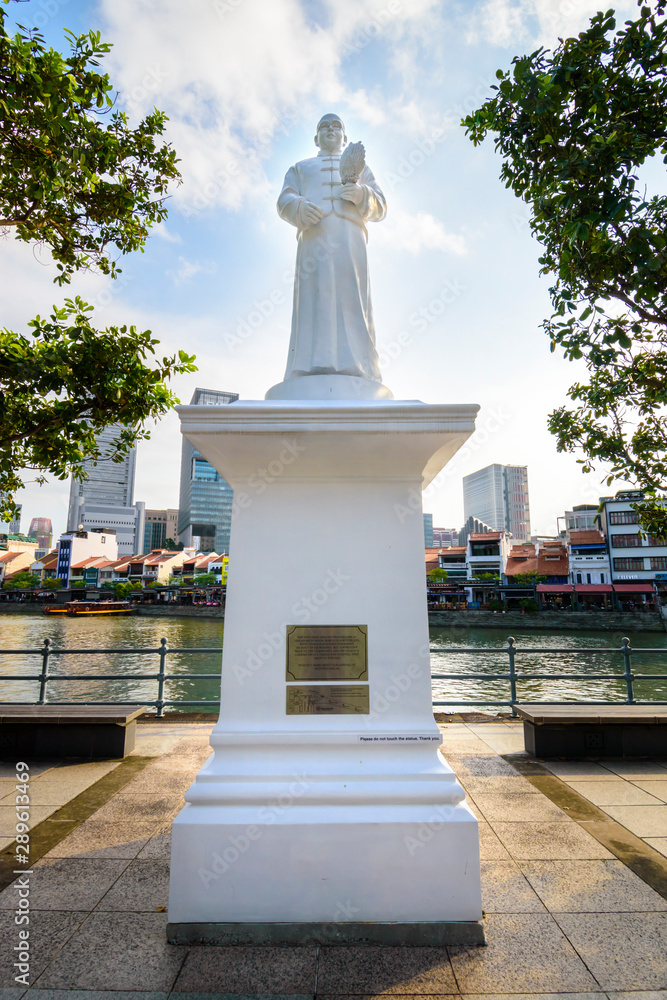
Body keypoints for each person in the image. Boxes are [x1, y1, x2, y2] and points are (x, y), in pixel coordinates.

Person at [277, 113, 387, 382]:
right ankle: (309, 364)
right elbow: (284, 199)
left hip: (350, 238)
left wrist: (362, 195)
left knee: (352, 298)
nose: (330, 130)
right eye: (324, 126)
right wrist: (299, 207)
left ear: (345, 137)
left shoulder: (361, 169)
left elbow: (381, 205)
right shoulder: (301, 168)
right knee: (315, 297)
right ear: (316, 137)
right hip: (314, 236)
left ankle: (359, 365)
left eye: (336, 126)